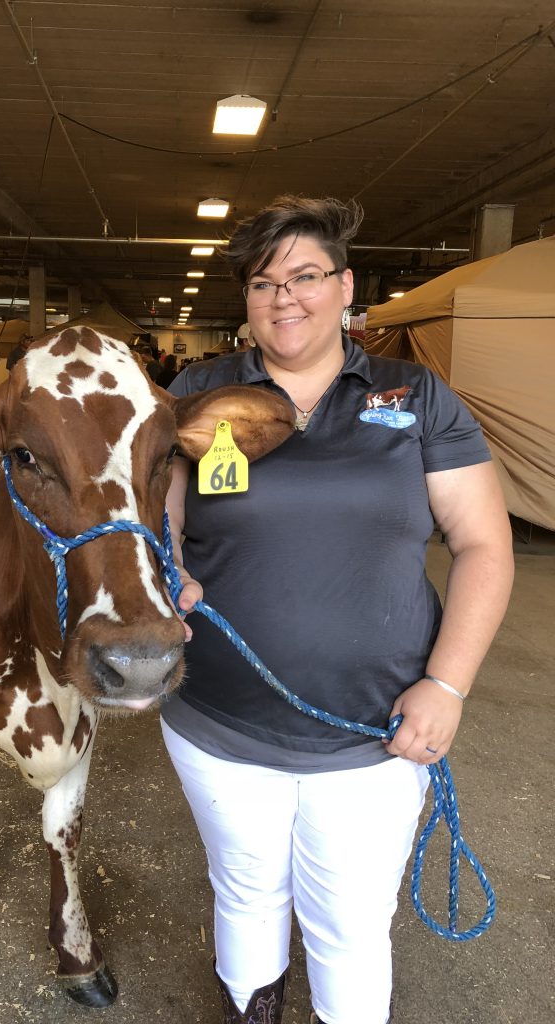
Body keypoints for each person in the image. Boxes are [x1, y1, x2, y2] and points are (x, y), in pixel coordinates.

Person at [162, 195, 514, 1024]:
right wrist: (163, 573)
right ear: (245, 300)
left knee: (351, 924)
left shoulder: (415, 396)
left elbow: (484, 547)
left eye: (305, 276)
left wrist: (449, 687)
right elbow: (161, 522)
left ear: (345, 286)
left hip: (378, 730)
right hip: (217, 719)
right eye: (262, 283)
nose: (285, 298)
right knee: (245, 892)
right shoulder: (202, 391)